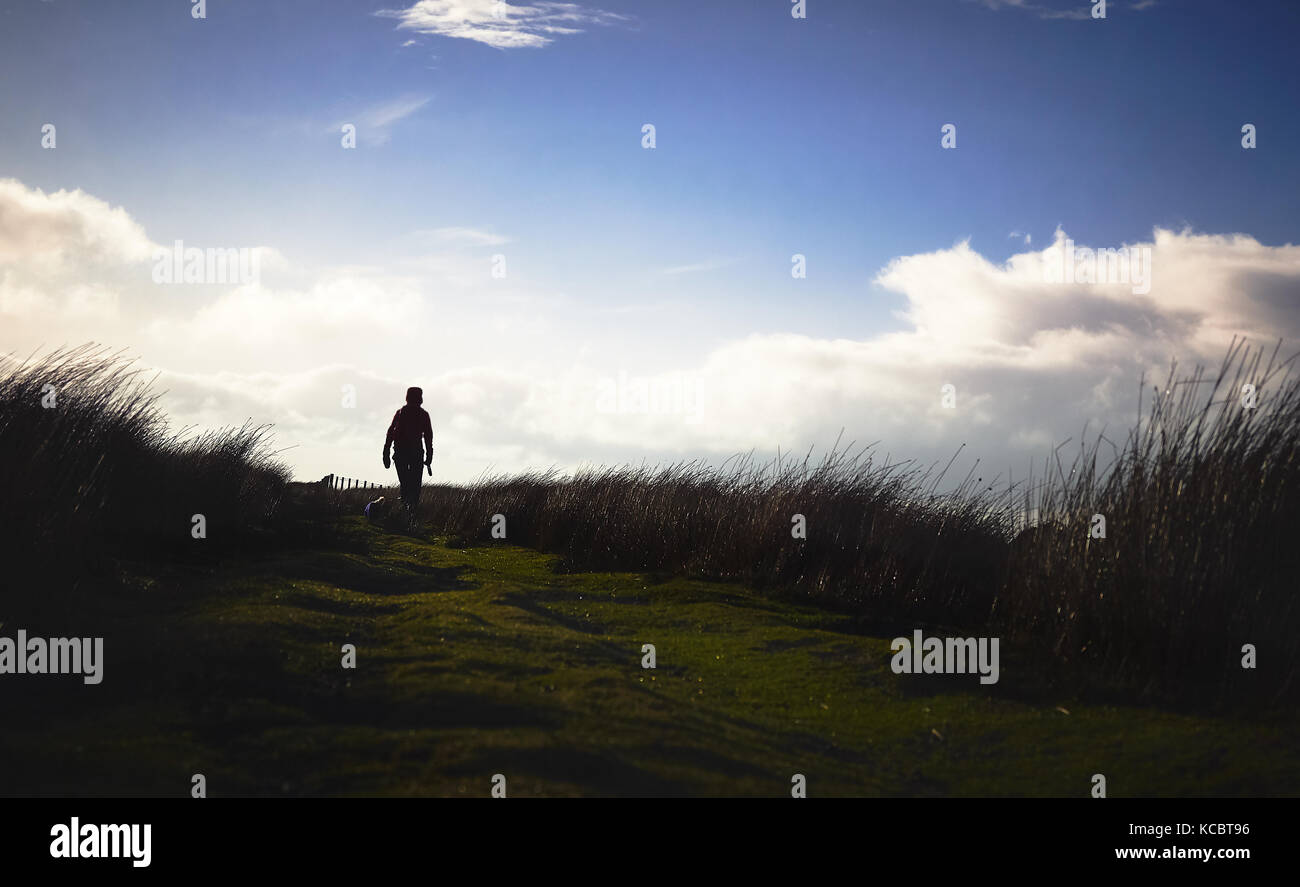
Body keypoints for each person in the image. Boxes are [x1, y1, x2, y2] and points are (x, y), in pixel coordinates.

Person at [383, 387, 433, 510]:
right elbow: (428, 436)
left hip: (401, 452)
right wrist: (429, 454)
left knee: (405, 482)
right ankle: (410, 510)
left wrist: (386, 451)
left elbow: (391, 432)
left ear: (407, 397)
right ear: (420, 398)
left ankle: (405, 508)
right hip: (416, 452)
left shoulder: (400, 413)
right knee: (415, 484)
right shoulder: (424, 415)